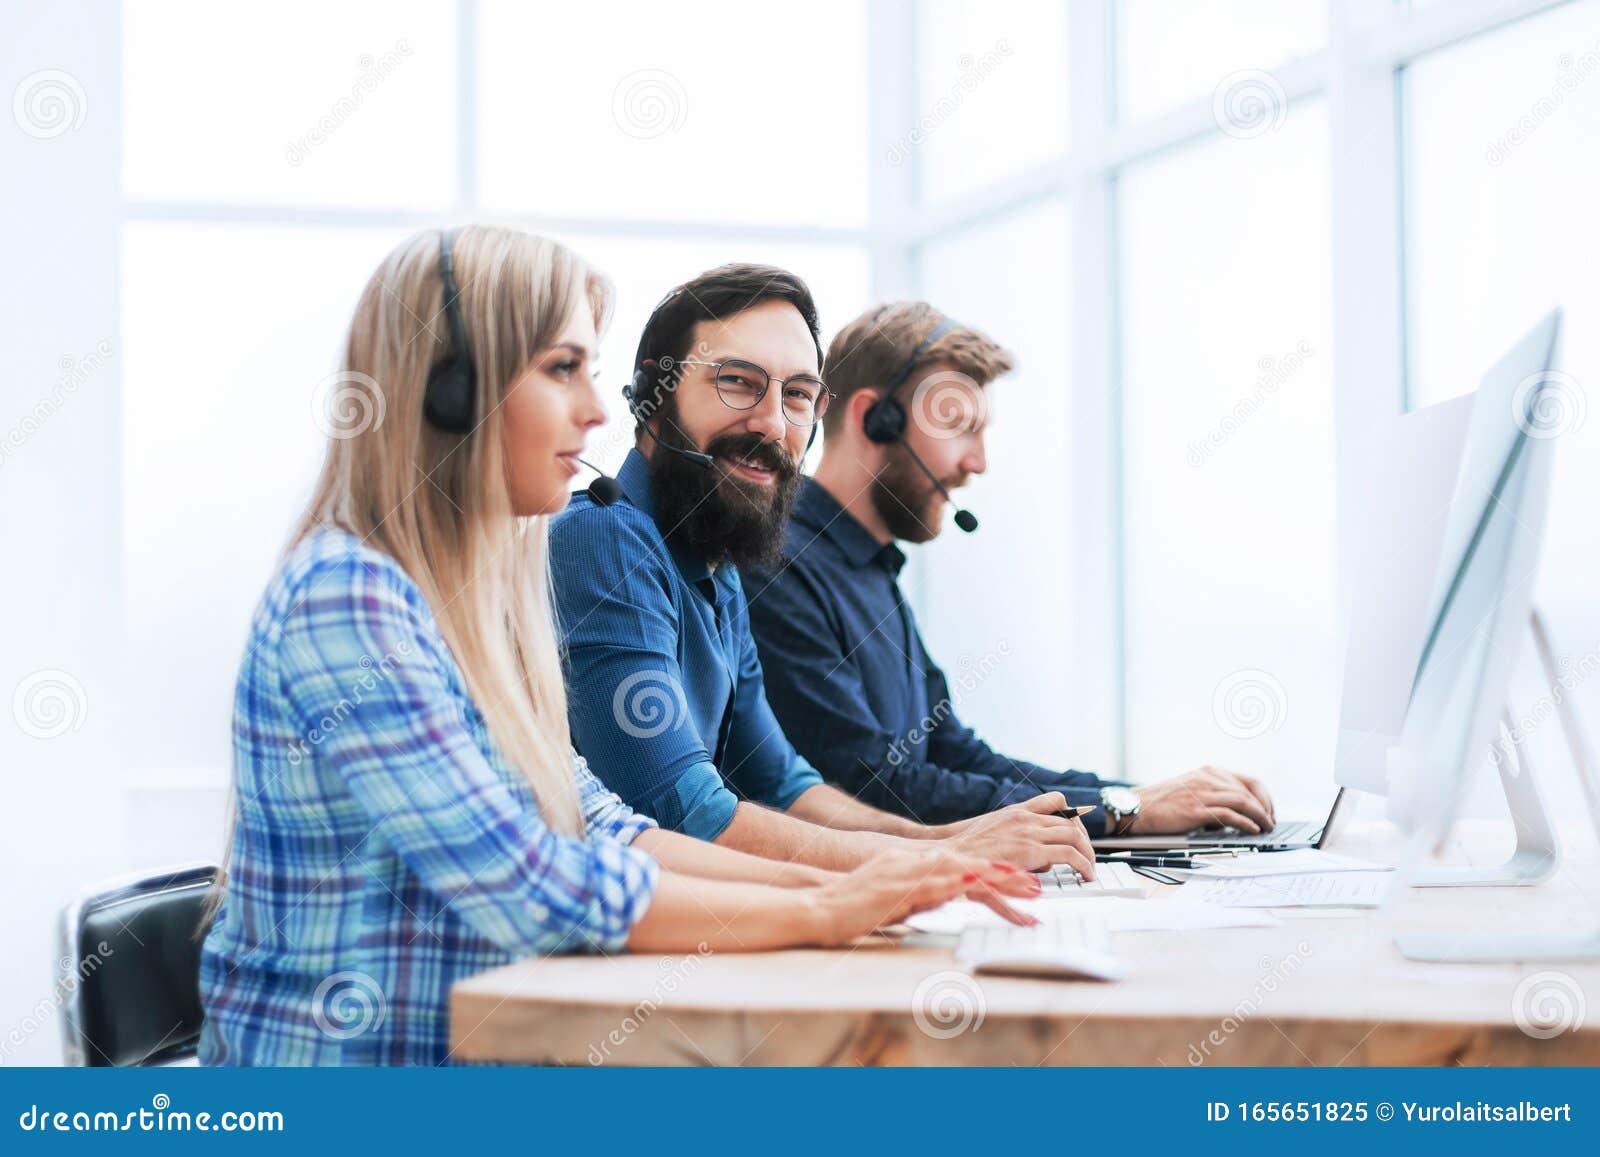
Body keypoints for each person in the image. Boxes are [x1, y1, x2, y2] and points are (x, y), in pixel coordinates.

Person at [198, 231, 1039, 1067]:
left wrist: (881, 882)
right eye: (563, 369)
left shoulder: (477, 604)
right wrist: (834, 904)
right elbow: (529, 886)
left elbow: (603, 821)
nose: (594, 409)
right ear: (451, 392)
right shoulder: (350, 597)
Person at [550, 264, 1096, 875]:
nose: (774, 424)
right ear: (655, 393)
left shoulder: (719, 563)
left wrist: (949, 842)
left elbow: (788, 786)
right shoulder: (603, 540)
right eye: (737, 383)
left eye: (798, 395)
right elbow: (686, 813)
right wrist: (937, 859)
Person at [744, 302, 1276, 838]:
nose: (978, 462)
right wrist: (1119, 811)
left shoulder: (870, 566)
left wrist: (1134, 797)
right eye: (961, 428)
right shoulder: (779, 569)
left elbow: (955, 753)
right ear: (873, 419)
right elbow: (879, 788)